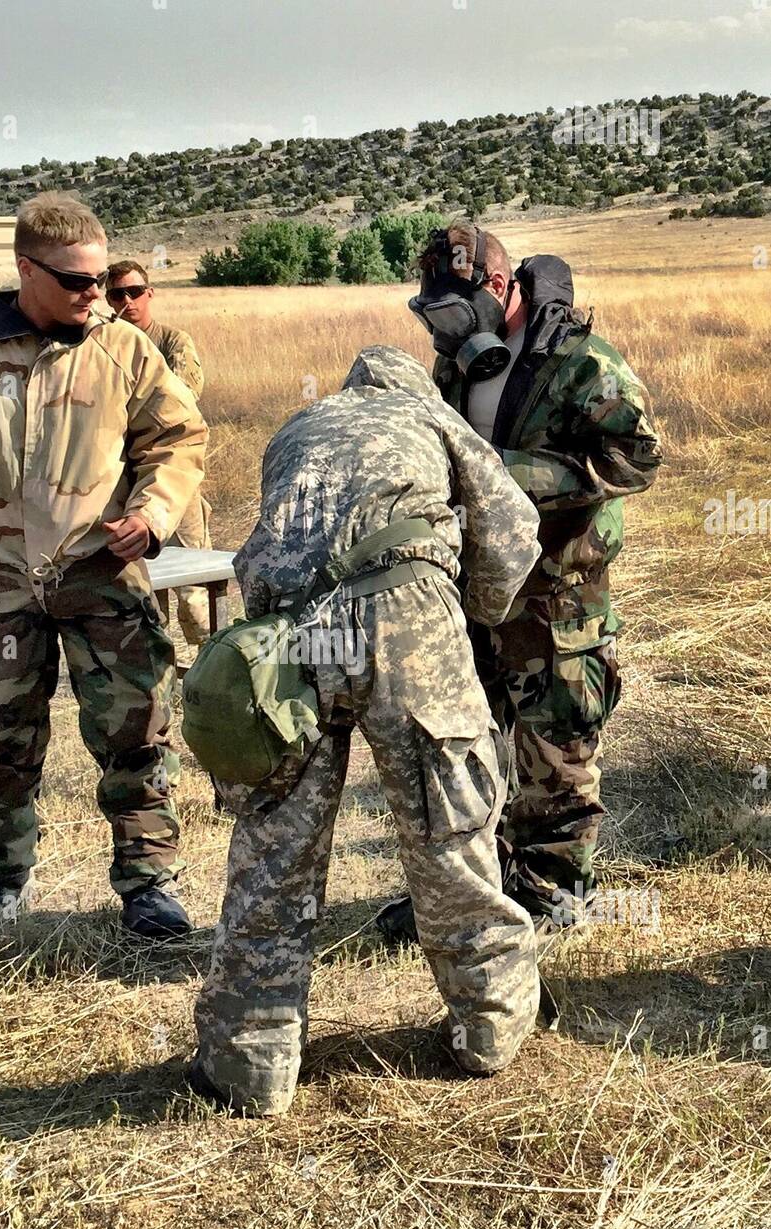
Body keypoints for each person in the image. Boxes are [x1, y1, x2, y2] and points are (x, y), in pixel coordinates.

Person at [191, 346, 542, 1116]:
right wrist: (475, 609)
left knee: (274, 847)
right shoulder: (430, 414)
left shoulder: (298, 424)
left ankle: (250, 1067)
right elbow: (514, 532)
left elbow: (272, 543)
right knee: (450, 832)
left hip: (289, 635)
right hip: (407, 622)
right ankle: (489, 1030)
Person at [0, 194, 208, 941]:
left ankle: (149, 882)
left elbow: (179, 439)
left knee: (134, 735)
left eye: (102, 280)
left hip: (100, 571)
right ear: (26, 270)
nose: (96, 295)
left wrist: (153, 514)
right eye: (77, 282)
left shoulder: (121, 347)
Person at [385, 220, 664, 952]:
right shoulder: (455, 368)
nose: (445, 331)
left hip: (558, 595)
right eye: (433, 315)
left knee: (556, 749)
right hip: (481, 591)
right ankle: (473, 885)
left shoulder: (579, 362)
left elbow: (635, 456)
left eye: (456, 311)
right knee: (473, 742)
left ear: (499, 287)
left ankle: (554, 890)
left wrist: (507, 476)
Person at [105, 259, 211, 648]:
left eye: (135, 292)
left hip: (170, 477)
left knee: (192, 581)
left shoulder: (172, 342)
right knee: (141, 587)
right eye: (117, 294)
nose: (127, 301)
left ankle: (207, 667)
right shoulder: (102, 346)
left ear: (150, 293)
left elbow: (183, 404)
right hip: (122, 481)